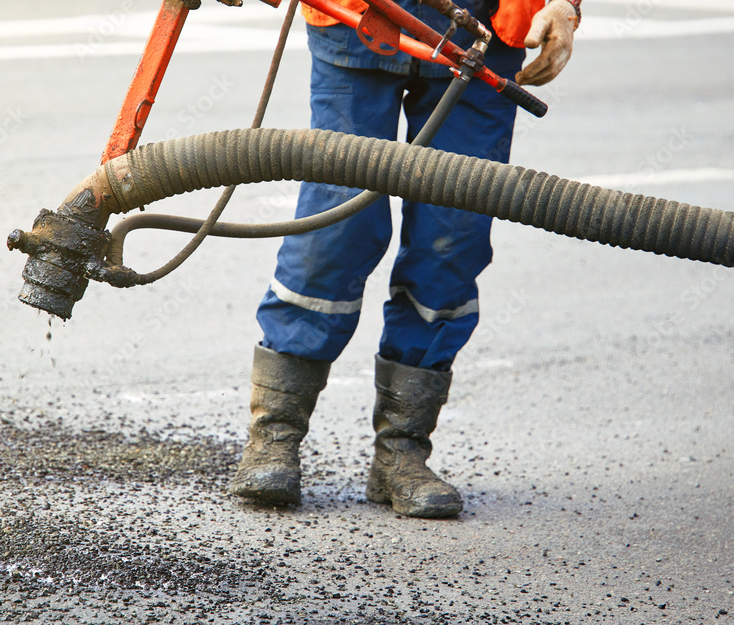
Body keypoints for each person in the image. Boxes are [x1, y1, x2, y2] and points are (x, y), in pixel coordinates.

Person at [229, 0, 580, 517]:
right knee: (336, 228)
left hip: (482, 35)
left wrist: (562, 5)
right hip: (356, 20)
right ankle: (275, 435)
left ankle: (402, 449)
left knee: (452, 240)